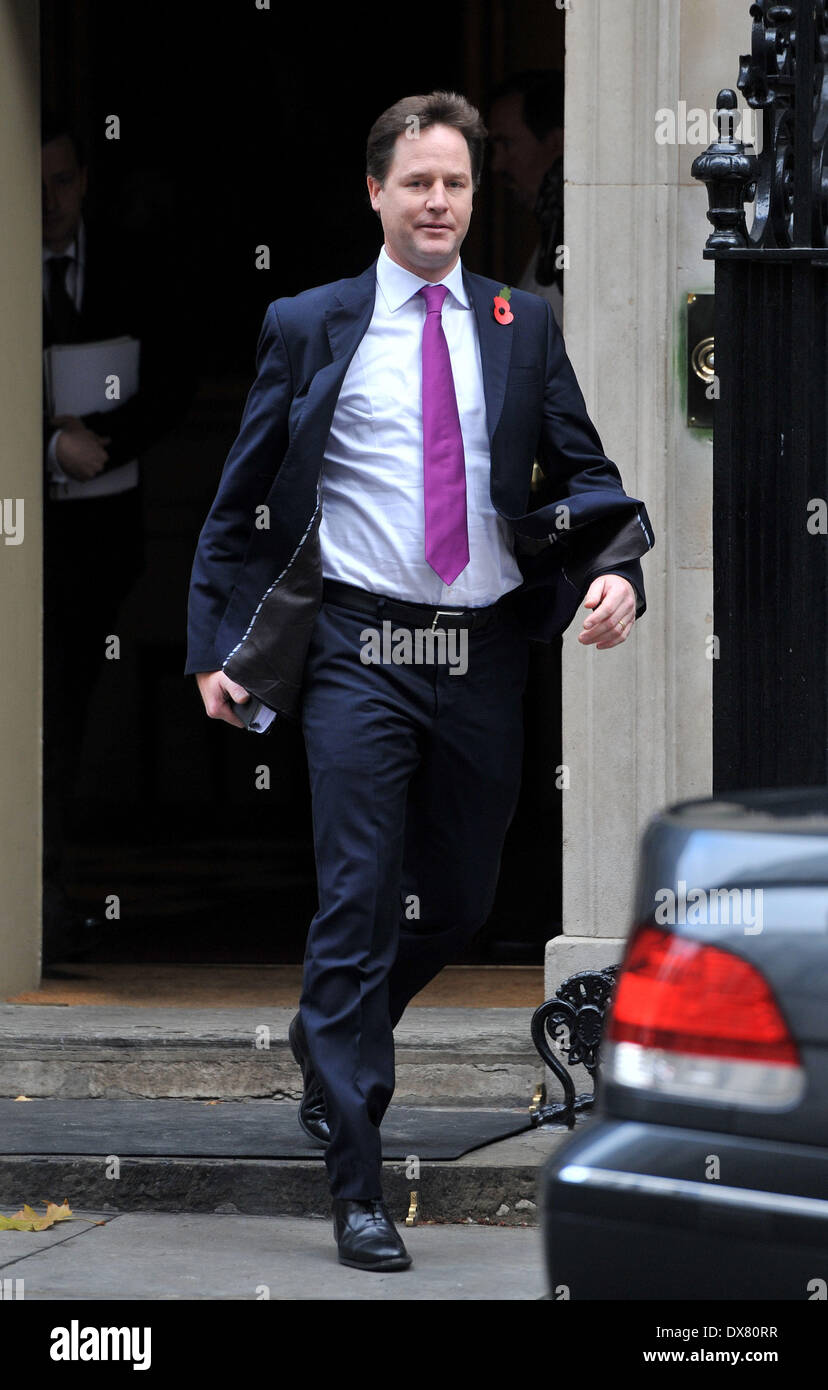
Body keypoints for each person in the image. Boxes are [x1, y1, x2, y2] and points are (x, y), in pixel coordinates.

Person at [185, 90, 653, 1272]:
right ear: (376, 193)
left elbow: (584, 472)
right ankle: (357, 1180)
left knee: (456, 897)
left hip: (481, 647)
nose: (438, 202)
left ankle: (331, 1031)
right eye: (418, 183)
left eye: (456, 183)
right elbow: (242, 497)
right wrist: (212, 645)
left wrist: (619, 573)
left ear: (471, 196)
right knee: (355, 898)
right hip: (355, 649)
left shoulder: (519, 320)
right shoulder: (309, 322)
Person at [41, 115, 189, 966]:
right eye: (34, 187)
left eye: (62, 182)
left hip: (106, 540)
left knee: (75, 715)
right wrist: (46, 442)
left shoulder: (132, 262)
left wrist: (100, 440)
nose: (50, 202)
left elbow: (170, 375)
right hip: (22, 534)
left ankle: (62, 891)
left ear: (85, 178)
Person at [487, 70, 566, 325]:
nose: (497, 164)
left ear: (556, 143)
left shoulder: (588, 242)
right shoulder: (551, 235)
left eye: (507, 144)